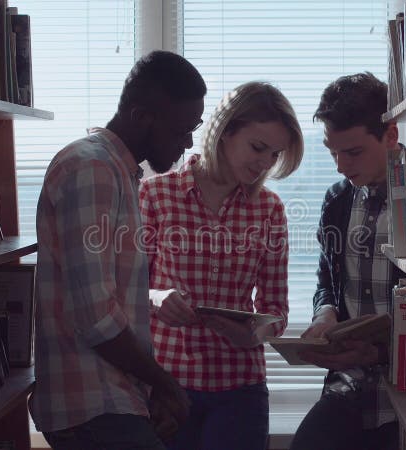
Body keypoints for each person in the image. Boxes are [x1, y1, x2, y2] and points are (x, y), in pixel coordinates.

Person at [29, 50, 207, 450]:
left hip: (110, 403)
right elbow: (95, 317)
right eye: (183, 129)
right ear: (144, 117)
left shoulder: (119, 172)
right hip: (93, 408)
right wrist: (166, 386)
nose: (190, 141)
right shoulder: (93, 168)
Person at [139, 81, 305, 450]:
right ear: (224, 131)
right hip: (168, 385)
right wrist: (156, 298)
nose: (265, 162)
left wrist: (255, 333)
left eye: (275, 154)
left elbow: (276, 310)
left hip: (240, 390)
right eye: (258, 147)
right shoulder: (155, 194)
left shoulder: (270, 209)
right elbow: (128, 289)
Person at [289, 72, 404, 450]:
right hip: (350, 386)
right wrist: (325, 315)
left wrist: (380, 351)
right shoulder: (337, 200)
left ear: (391, 135)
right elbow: (326, 281)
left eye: (352, 152)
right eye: (332, 151)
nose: (340, 165)